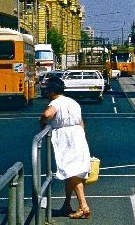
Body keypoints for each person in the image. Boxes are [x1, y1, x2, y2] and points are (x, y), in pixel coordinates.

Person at [40, 77, 92, 219]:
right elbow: (81, 122)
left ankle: (83, 206)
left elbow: (47, 114)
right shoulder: (73, 102)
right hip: (78, 135)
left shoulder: (56, 102)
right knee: (72, 171)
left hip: (66, 138)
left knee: (71, 171)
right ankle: (67, 204)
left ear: (51, 91)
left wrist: (42, 123)